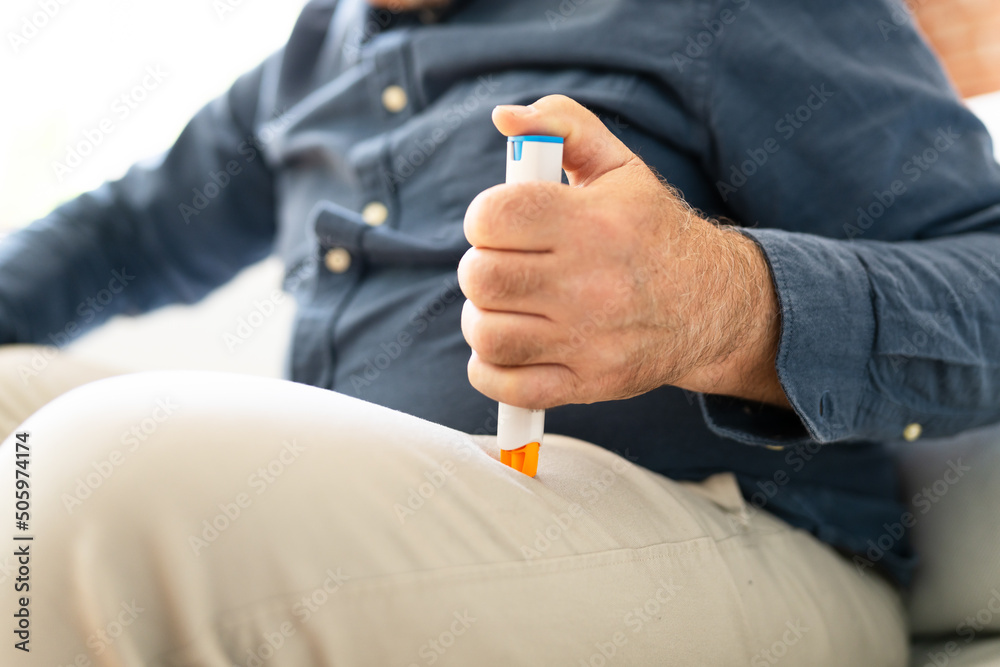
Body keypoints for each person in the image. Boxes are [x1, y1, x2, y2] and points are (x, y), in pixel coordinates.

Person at [2, 0, 999, 663]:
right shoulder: (315, 49)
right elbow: (122, 230)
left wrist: (718, 304)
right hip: (399, 513)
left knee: (87, 487)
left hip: (741, 534)